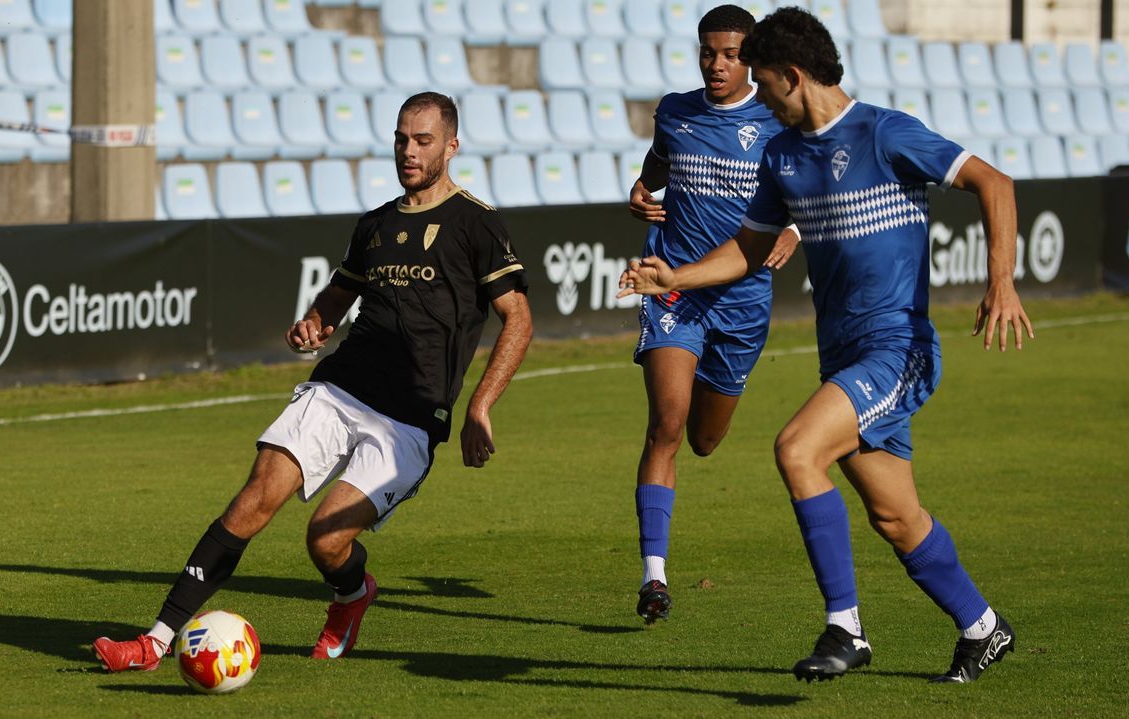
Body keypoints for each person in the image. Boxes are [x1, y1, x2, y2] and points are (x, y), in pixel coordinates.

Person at [619, 8, 1031, 684]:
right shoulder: (782, 155)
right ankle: (983, 625)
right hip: (842, 355)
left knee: (796, 447)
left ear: (792, 75)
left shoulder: (884, 131)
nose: (757, 95)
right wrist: (676, 275)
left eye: (764, 82)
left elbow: (996, 182)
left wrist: (1002, 282)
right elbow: (750, 248)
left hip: (897, 349)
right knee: (895, 516)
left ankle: (846, 626)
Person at [93, 92, 532, 671]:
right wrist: (316, 324)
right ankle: (154, 640)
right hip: (342, 386)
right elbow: (338, 294)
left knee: (325, 539)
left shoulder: (477, 224)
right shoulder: (375, 225)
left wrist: (480, 406)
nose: (408, 151)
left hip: (411, 417)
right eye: (401, 138)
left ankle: (352, 595)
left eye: (422, 140)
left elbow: (519, 319)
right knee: (253, 499)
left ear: (451, 145)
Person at [625, 4, 800, 624]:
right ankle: (654, 578)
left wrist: (796, 230)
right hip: (673, 289)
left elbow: (816, 187)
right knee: (666, 427)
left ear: (751, 57)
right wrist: (641, 195)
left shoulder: (777, 123)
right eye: (709, 51)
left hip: (744, 302)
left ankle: (706, 377)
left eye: (730, 53)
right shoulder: (675, 112)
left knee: (704, 440)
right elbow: (655, 170)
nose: (718, 64)